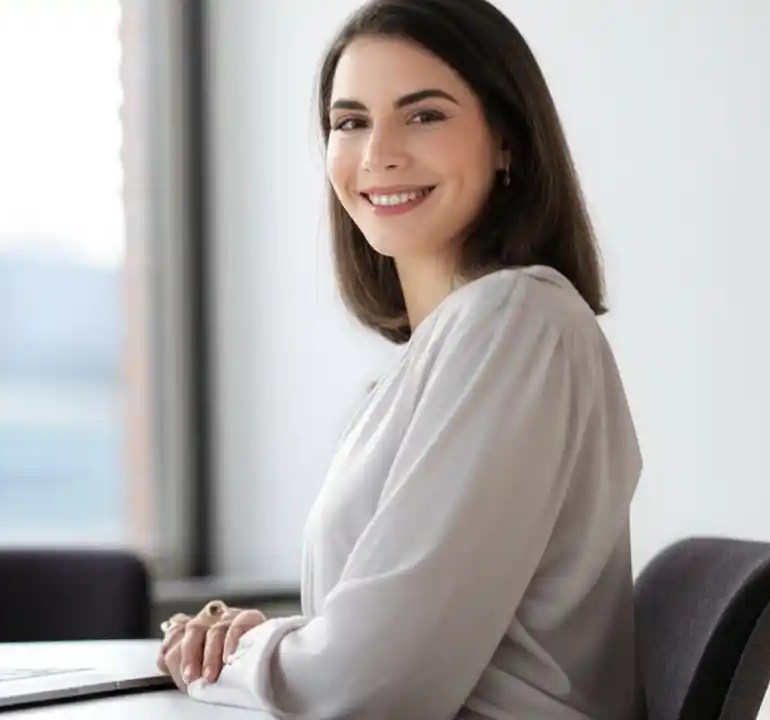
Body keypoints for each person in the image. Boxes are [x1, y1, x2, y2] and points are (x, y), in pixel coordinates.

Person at [156, 0, 642, 717]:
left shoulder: (518, 323)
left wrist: (230, 658)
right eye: (350, 122)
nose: (379, 152)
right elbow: (362, 654)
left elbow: (370, 689)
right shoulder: (438, 355)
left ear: (507, 139)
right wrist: (270, 645)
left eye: (424, 115)